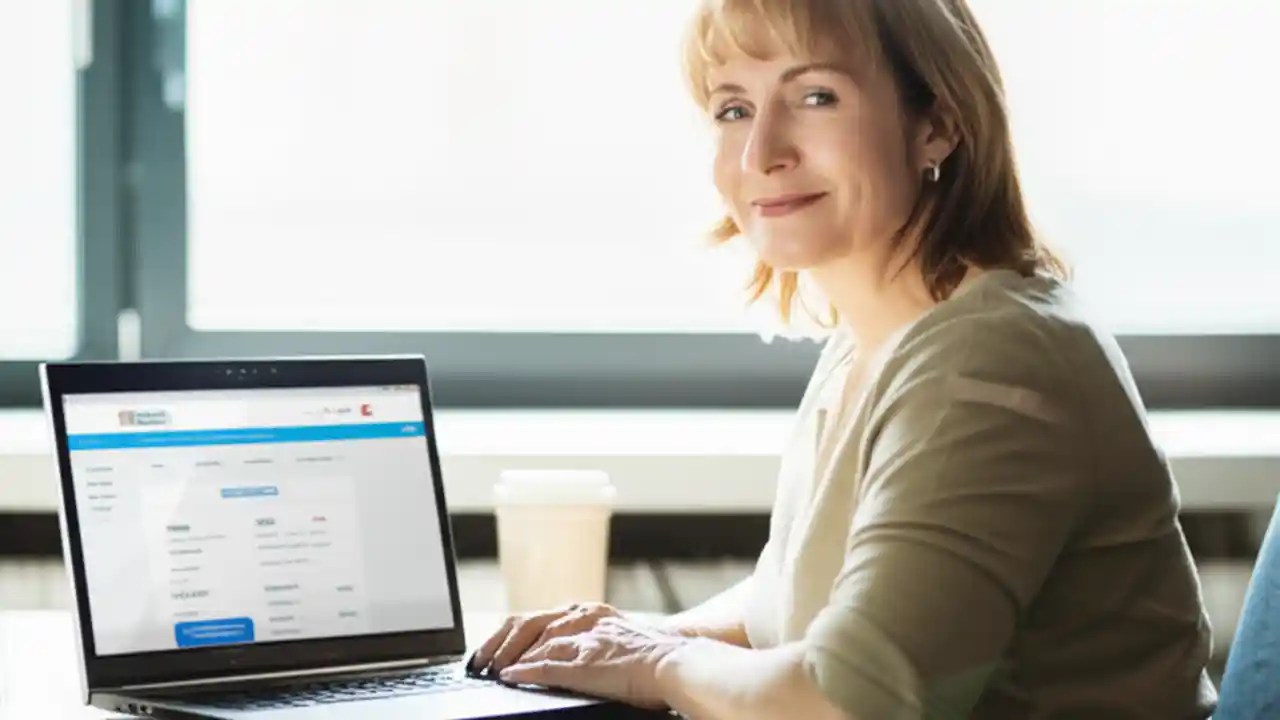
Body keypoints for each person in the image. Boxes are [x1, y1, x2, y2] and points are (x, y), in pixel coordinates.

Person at [469, 0, 1218, 717]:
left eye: (816, 97)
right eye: (733, 109)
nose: (762, 153)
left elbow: (851, 700)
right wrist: (643, 635)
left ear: (937, 124)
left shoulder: (990, 364)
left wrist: (655, 664)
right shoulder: (879, 338)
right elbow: (807, 602)